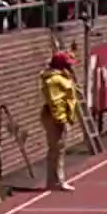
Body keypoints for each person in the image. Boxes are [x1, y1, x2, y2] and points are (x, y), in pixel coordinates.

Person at [40, 50, 80, 193]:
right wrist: (60, 120)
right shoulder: (54, 80)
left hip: (60, 116)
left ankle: (55, 180)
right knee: (57, 149)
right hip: (55, 118)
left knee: (58, 150)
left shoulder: (61, 77)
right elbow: (55, 101)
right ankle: (57, 181)